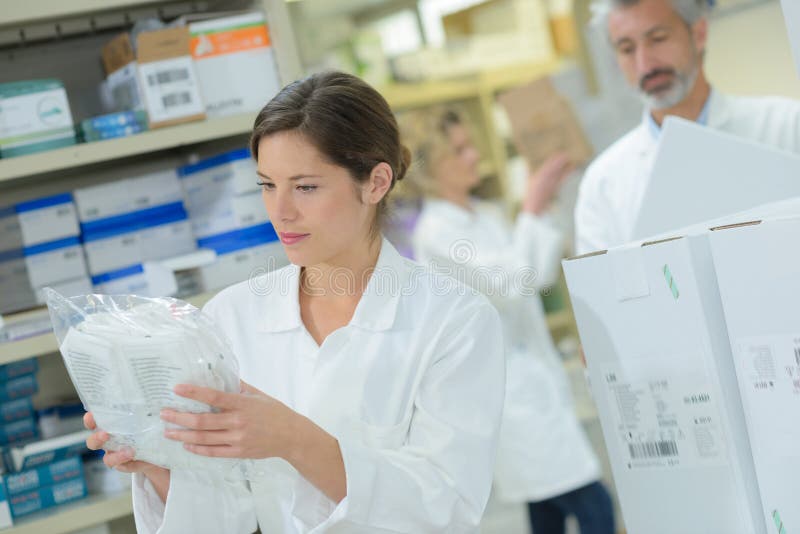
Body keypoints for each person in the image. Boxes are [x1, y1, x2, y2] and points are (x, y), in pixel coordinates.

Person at [84, 71, 506, 533]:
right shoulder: (230, 316)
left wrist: (294, 439)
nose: (280, 211)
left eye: (305, 187)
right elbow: (228, 515)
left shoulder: (454, 321)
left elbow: (445, 505)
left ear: (376, 182)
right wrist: (157, 464)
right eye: (267, 185)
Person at [409, 108, 615, 534]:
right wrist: (533, 208)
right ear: (431, 167)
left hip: (534, 382)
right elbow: (507, 285)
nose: (473, 156)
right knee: (592, 503)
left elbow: (534, 276)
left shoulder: (485, 215)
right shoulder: (435, 233)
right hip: (506, 396)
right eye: (459, 150)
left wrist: (544, 208)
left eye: (470, 144)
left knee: (548, 512)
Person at [575, 0, 800, 254]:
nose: (645, 64)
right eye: (627, 49)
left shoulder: (786, 126)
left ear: (699, 34)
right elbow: (603, 291)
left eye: (658, 38)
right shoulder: (603, 185)